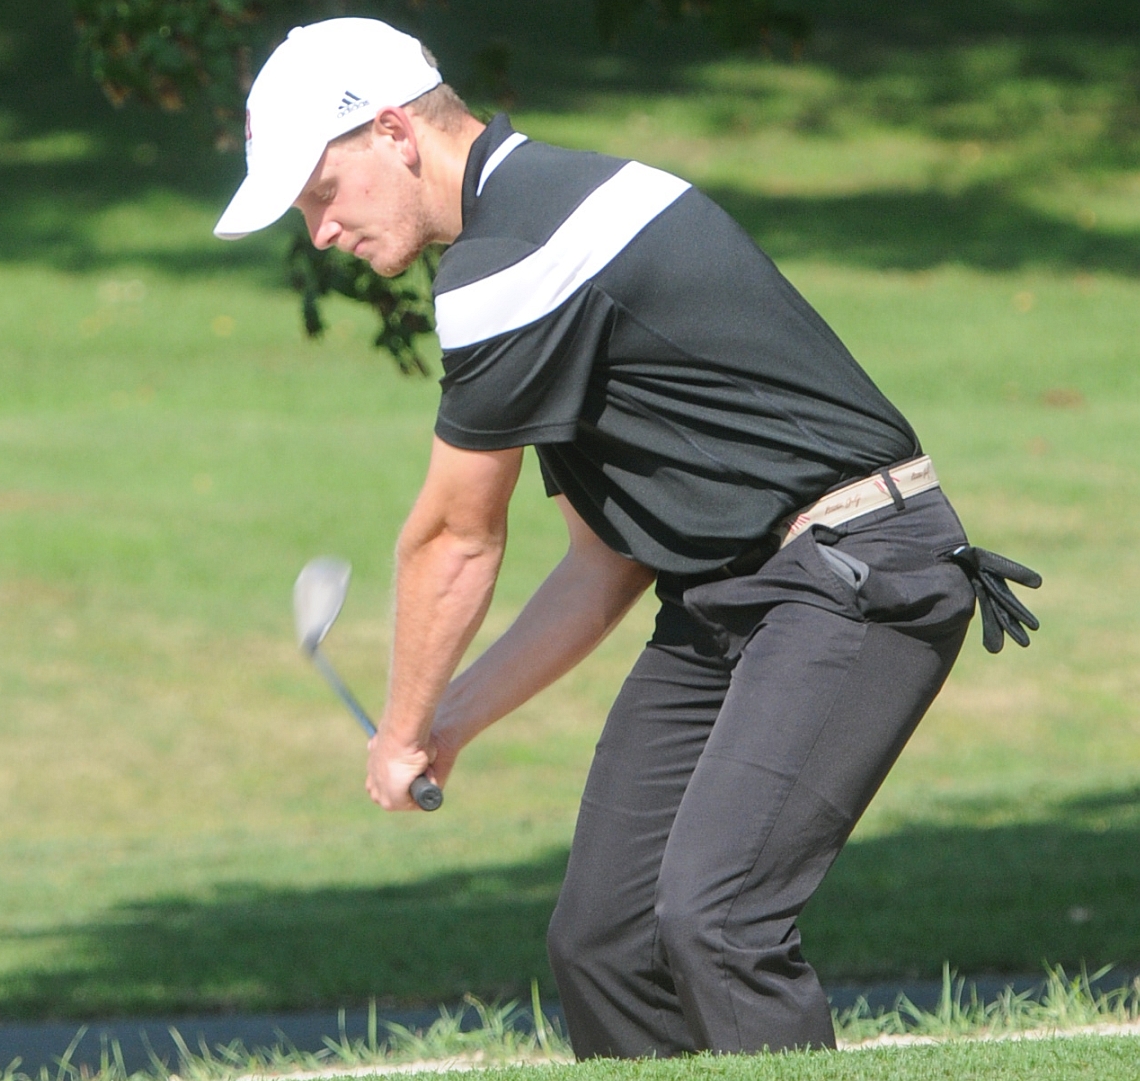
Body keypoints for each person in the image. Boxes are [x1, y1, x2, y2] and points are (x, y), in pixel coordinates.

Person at [212, 17, 1042, 1060]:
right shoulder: (529, 227)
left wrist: (401, 726)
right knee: (604, 940)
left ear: (393, 132)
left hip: (859, 570)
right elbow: (603, 565)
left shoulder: (515, 260)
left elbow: (454, 539)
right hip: (733, 593)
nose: (320, 232)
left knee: (718, 920)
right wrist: (449, 722)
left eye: (322, 194)